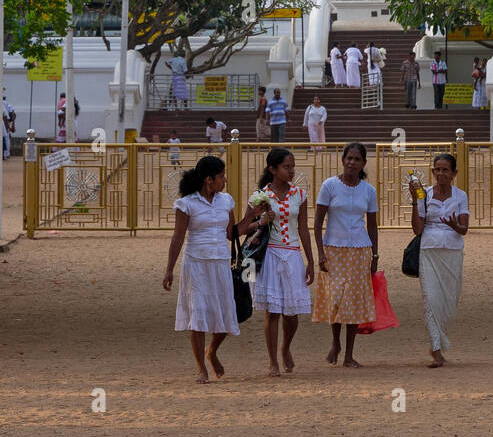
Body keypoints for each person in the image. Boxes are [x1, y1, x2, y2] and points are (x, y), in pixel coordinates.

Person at [237, 147, 314, 377]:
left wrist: (310, 260)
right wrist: (261, 219)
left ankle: (286, 347)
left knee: (292, 312)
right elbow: (244, 228)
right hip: (269, 254)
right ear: (273, 169)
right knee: (273, 311)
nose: (291, 171)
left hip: (292, 254)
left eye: (292, 167)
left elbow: (303, 228)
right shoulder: (259, 196)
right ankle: (273, 361)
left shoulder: (300, 195)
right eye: (286, 167)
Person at [162, 155, 239, 383]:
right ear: (209, 180)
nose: (224, 180)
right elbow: (177, 238)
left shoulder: (227, 201)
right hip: (196, 264)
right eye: (221, 176)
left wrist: (255, 218)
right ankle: (201, 368)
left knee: (225, 314)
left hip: (221, 263)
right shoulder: (187, 204)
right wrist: (169, 270)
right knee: (198, 314)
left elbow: (231, 233)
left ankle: (212, 351)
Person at [313, 141, 378, 368]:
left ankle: (349, 353)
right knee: (336, 299)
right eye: (349, 158)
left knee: (353, 301)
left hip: (360, 251)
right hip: (333, 249)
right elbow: (318, 221)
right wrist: (320, 252)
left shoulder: (369, 191)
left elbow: (372, 226)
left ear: (363, 163)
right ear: (342, 160)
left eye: (356, 159)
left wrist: (375, 255)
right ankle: (335, 343)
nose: (352, 162)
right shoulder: (329, 186)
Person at [409, 153, 469, 368]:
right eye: (437, 170)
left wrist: (454, 226)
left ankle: (438, 342)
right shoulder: (424, 194)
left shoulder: (460, 196)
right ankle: (436, 349)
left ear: (454, 174)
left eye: (445, 170)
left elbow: (464, 229)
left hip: (452, 252)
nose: (441, 174)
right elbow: (418, 228)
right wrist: (416, 202)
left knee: (447, 301)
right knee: (431, 299)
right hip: (429, 251)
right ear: (433, 172)